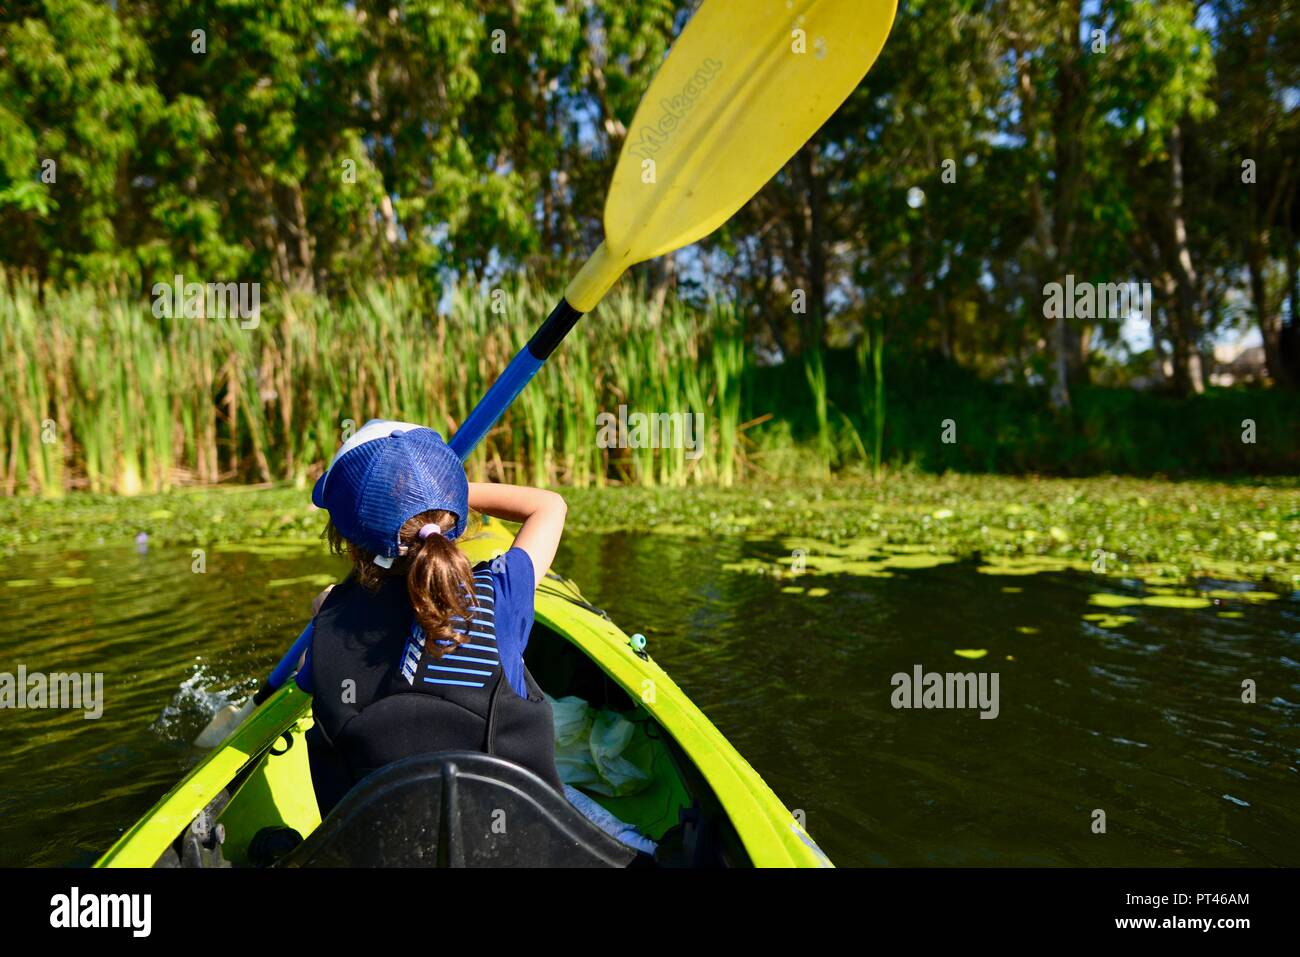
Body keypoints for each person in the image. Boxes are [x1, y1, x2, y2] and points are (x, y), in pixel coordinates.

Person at [297, 419, 654, 855]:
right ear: (452, 519)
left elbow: (319, 655)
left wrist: (329, 605)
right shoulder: (497, 592)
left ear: (347, 540)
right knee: (578, 808)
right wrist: (449, 490)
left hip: (386, 852)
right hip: (513, 848)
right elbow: (549, 506)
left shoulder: (328, 624)